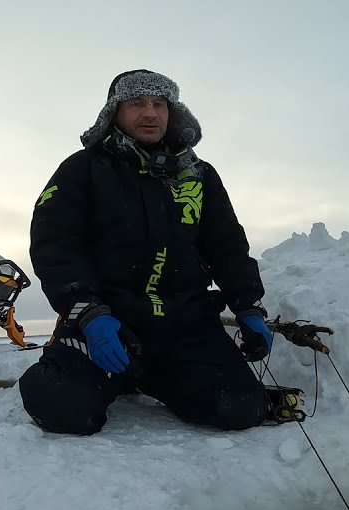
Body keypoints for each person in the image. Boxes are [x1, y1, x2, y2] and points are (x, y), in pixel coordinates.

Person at [18, 69, 275, 435]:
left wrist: (248, 306)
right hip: (108, 322)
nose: (150, 113)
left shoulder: (200, 175)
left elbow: (227, 245)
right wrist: (88, 312)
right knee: (63, 407)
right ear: (114, 112)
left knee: (243, 409)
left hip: (184, 325)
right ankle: (87, 365)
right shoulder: (83, 168)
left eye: (159, 104)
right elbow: (55, 244)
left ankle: (152, 376)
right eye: (136, 103)